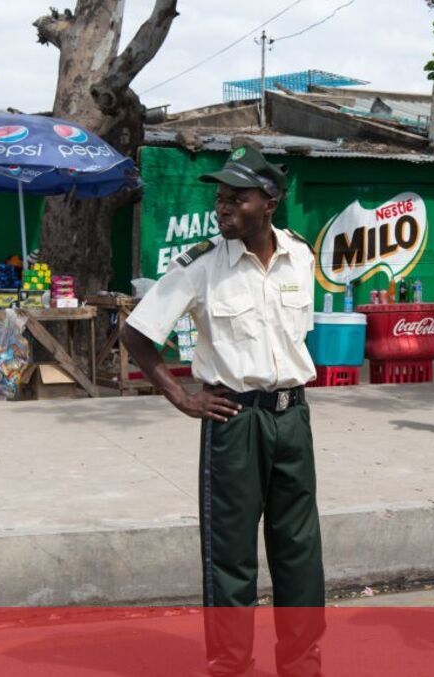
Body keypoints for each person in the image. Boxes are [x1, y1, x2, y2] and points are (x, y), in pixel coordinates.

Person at [121, 145, 324, 677]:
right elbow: (137, 332)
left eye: (238, 196)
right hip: (233, 421)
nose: (224, 205)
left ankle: (301, 663)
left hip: (292, 416)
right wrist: (181, 395)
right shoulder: (201, 267)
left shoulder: (300, 256)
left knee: (298, 549)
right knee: (230, 556)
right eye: (220, 196)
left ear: (271, 201)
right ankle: (231, 665)